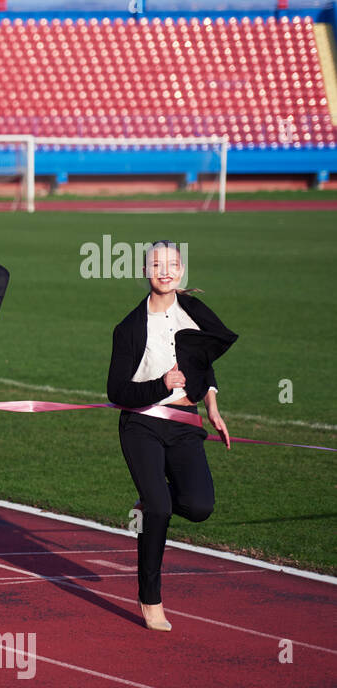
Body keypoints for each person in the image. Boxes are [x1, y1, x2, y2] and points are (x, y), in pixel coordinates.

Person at [107, 240, 234, 631]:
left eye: (172, 264)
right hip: (141, 424)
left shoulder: (194, 312)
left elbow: (203, 362)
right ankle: (151, 599)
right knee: (160, 508)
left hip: (184, 426)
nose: (165, 270)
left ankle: (149, 504)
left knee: (198, 507)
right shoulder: (129, 327)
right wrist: (162, 384)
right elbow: (117, 393)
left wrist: (211, 402)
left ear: (181, 270)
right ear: (145, 271)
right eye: (157, 264)